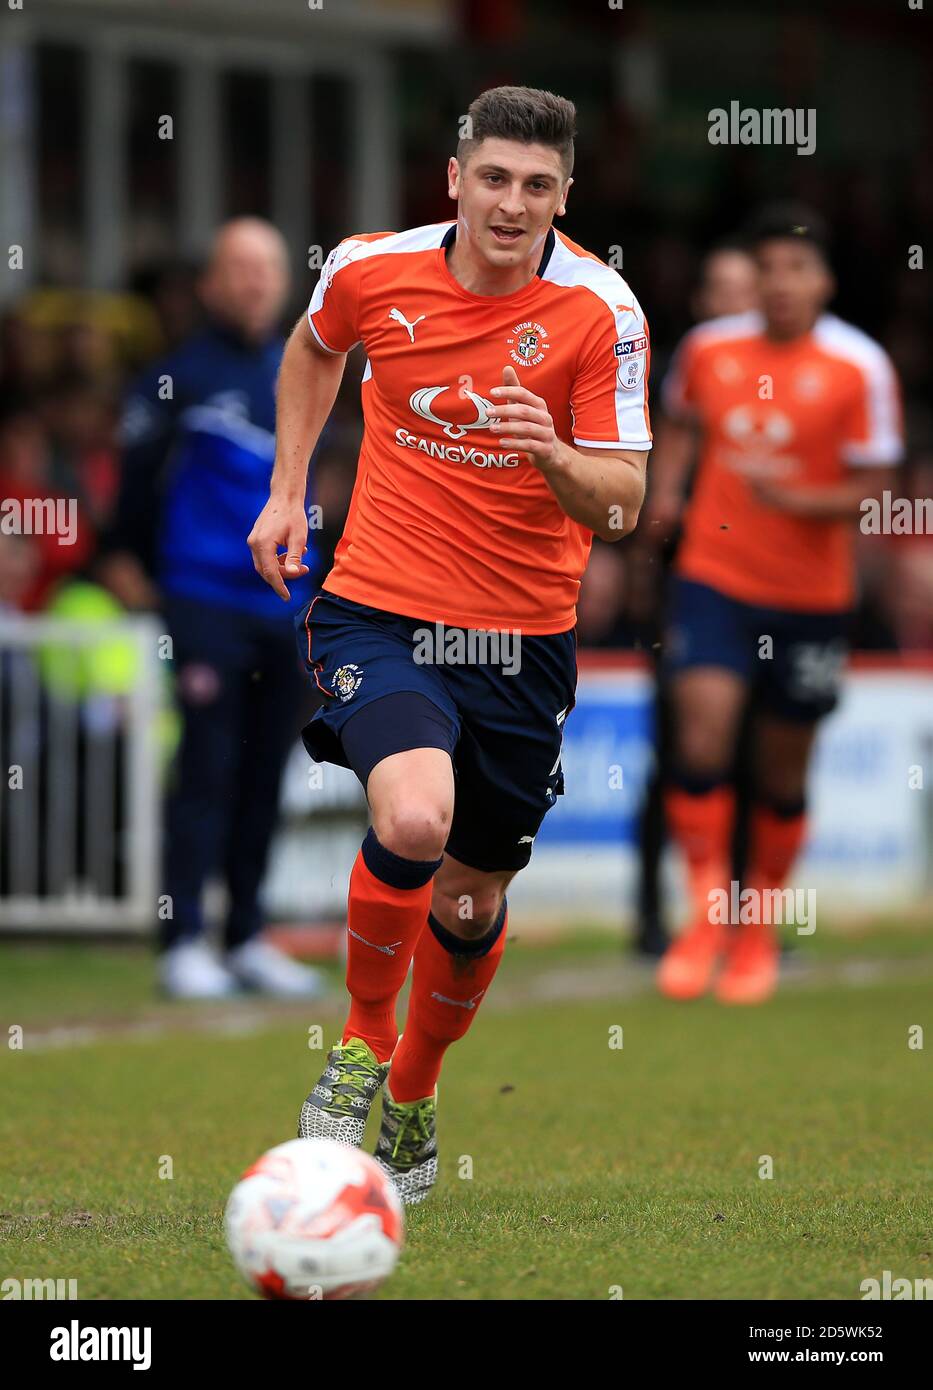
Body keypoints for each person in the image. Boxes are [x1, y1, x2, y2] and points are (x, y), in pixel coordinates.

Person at [248, 86, 651, 1203]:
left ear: (565, 197)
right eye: (494, 178)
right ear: (455, 178)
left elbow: (624, 506)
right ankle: (365, 1042)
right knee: (413, 816)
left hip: (521, 641)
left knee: (470, 903)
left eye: (537, 186)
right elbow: (313, 349)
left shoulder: (601, 314)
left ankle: (415, 1089)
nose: (511, 204)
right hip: (380, 607)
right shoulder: (371, 268)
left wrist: (556, 458)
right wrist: (289, 494)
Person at [646, 204, 903, 1005]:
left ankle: (757, 931)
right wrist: (665, 493)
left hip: (810, 596)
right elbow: (680, 422)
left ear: (823, 280)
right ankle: (705, 920)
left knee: (782, 767)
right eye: (768, 270)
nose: (781, 285)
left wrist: (801, 495)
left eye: (797, 270)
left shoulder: (859, 367)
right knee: (702, 726)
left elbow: (878, 485)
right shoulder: (709, 349)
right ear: (751, 279)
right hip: (715, 574)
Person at [103, 218, 323, 1000]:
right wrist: (128, 563)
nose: (256, 282)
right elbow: (131, 493)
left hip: (285, 605)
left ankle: (248, 935)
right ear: (209, 283)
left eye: (267, 267)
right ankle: (184, 936)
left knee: (267, 772)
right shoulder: (176, 378)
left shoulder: (304, 369)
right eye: (240, 268)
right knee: (206, 764)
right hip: (201, 598)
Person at [633, 243, 760, 956]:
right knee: (679, 750)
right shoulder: (690, 378)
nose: (733, 303)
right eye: (721, 289)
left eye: (746, 289)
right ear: (701, 302)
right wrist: (652, 571)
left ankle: (740, 919)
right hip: (691, 591)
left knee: (750, 755)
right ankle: (654, 914)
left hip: (764, 594)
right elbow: (660, 496)